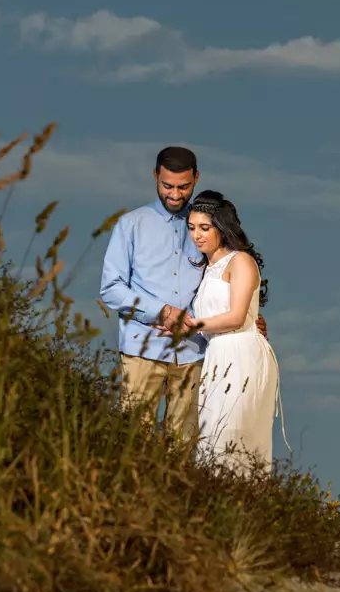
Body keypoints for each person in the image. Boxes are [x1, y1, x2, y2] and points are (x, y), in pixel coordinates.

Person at [99, 147, 267, 442]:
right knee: (133, 443)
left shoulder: (207, 226)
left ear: (196, 179)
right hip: (142, 352)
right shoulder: (130, 225)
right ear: (155, 177)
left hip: (195, 353)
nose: (175, 194)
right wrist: (162, 311)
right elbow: (111, 289)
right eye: (167, 186)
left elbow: (229, 274)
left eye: (183, 186)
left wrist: (251, 317)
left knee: (185, 448)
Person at [184, 190, 287, 473]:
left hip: (241, 353)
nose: (197, 235)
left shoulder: (240, 261)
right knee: (213, 438)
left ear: (222, 226)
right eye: (191, 227)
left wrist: (191, 325)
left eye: (205, 228)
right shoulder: (208, 268)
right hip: (217, 355)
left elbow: (237, 316)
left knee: (236, 433)